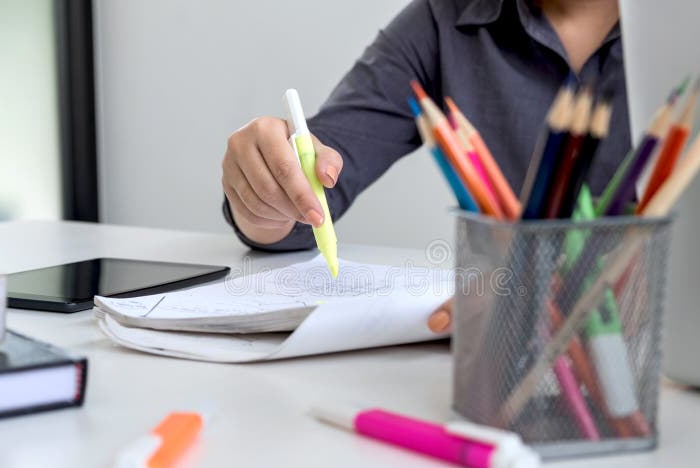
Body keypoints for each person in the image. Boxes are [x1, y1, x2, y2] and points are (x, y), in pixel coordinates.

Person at [221, 0, 628, 334]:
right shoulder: (443, 18)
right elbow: (322, 170)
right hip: (503, 355)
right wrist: (267, 190)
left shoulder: (689, 29)